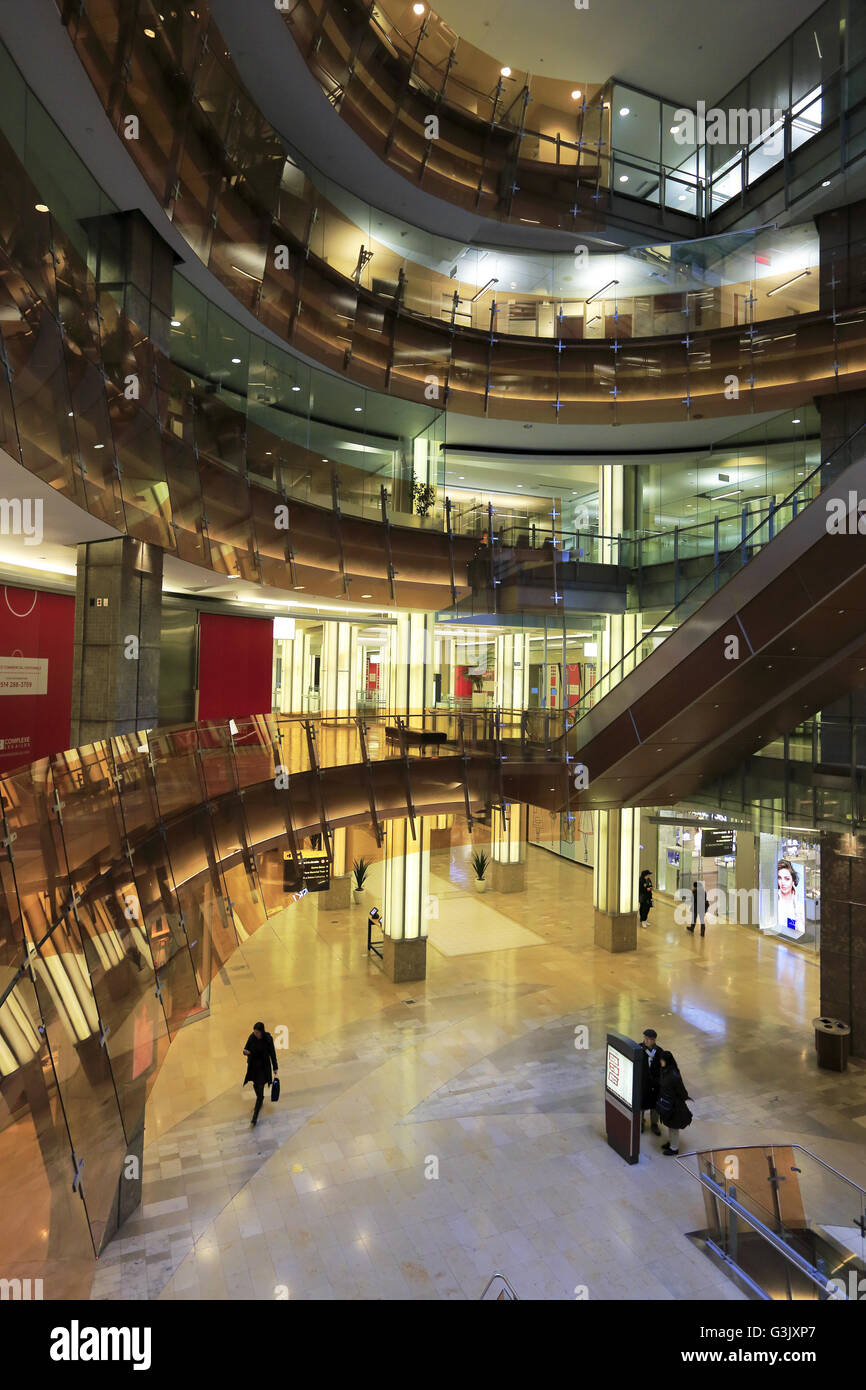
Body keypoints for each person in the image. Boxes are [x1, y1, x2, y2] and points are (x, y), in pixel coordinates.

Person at [656, 1050, 693, 1156]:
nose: (660, 1062)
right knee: (670, 1125)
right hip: (667, 1102)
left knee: (673, 1127)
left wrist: (679, 1099)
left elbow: (682, 1091)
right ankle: (671, 1143)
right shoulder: (665, 1070)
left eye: (662, 1060)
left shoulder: (673, 1075)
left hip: (674, 1105)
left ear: (666, 1061)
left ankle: (674, 1148)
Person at [243, 1021, 278, 1126]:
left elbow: (272, 1053)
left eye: (257, 1032)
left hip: (263, 1068)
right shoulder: (252, 1037)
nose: (256, 1034)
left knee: (260, 1087)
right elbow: (245, 1049)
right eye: (255, 1032)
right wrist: (246, 1052)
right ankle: (260, 1098)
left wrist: (275, 1067)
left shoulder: (268, 1039)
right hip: (254, 1067)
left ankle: (255, 1116)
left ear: (262, 1032)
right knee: (255, 1085)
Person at [639, 1029, 662, 1135]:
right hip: (643, 1082)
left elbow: (663, 1067)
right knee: (641, 1103)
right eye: (645, 1038)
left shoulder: (659, 1051)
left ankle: (654, 1123)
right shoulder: (639, 1048)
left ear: (654, 1040)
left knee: (654, 1105)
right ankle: (640, 1122)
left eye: (649, 1039)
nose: (646, 1041)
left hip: (655, 1084)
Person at [776, 859, 805, 936]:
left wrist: (795, 905)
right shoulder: (773, 902)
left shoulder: (799, 907)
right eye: (779, 878)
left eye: (787, 879)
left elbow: (800, 932)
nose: (783, 882)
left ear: (793, 881)